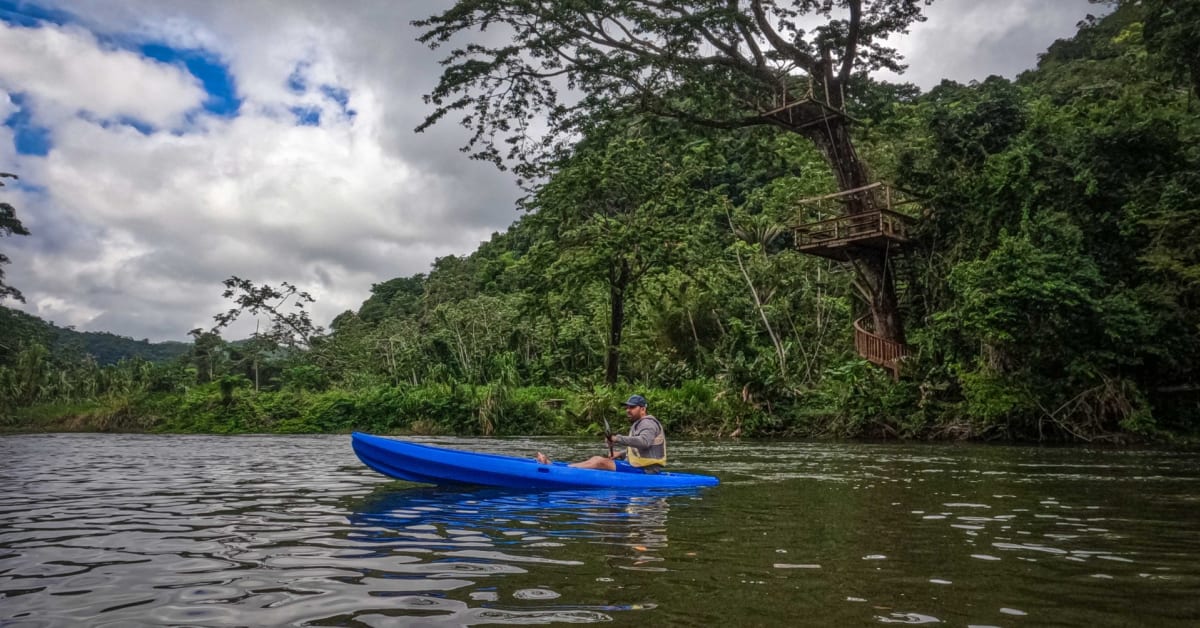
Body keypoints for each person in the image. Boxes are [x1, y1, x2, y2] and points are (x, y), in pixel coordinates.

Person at [535, 394, 667, 473]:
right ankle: (556, 466)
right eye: (627, 407)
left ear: (643, 409)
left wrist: (617, 438)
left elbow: (644, 442)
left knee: (599, 462)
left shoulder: (647, 423)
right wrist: (621, 454)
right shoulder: (640, 423)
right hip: (638, 467)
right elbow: (641, 450)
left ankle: (556, 470)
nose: (628, 410)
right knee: (595, 459)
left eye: (632, 407)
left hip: (646, 470)